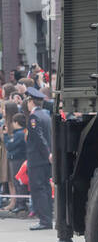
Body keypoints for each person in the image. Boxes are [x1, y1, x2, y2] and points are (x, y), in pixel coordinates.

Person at [23, 87, 53, 231]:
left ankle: (44, 220)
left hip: (37, 159)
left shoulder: (34, 117)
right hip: (45, 160)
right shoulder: (46, 115)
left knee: (38, 189)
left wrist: (47, 153)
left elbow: (39, 138)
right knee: (45, 189)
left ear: (31, 101)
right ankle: (47, 218)